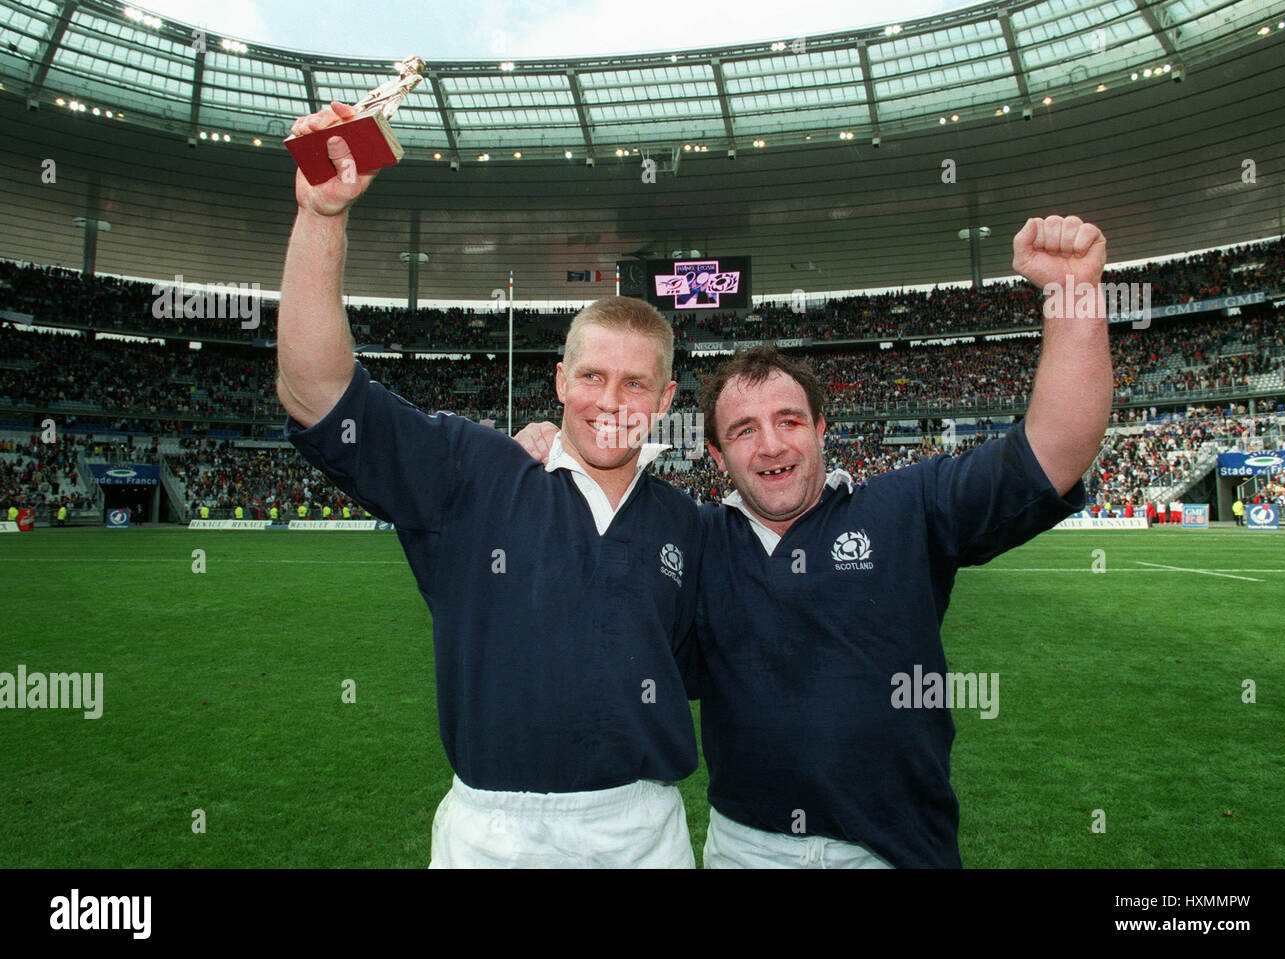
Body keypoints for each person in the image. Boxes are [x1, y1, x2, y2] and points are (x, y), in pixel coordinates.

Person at [517, 214, 1109, 867]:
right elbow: (584, 555)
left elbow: (1055, 451)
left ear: (822, 428)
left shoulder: (907, 507)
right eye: (744, 430)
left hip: (895, 849)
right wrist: (546, 447)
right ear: (716, 453)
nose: (771, 444)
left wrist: (1073, 292)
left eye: (789, 420)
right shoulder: (693, 536)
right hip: (745, 850)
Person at [276, 100, 701, 868]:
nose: (611, 400)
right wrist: (321, 217)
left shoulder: (687, 525)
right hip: (493, 835)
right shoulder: (473, 470)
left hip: (643, 832)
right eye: (592, 376)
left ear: (666, 399)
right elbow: (319, 395)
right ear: (560, 380)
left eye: (636, 383)